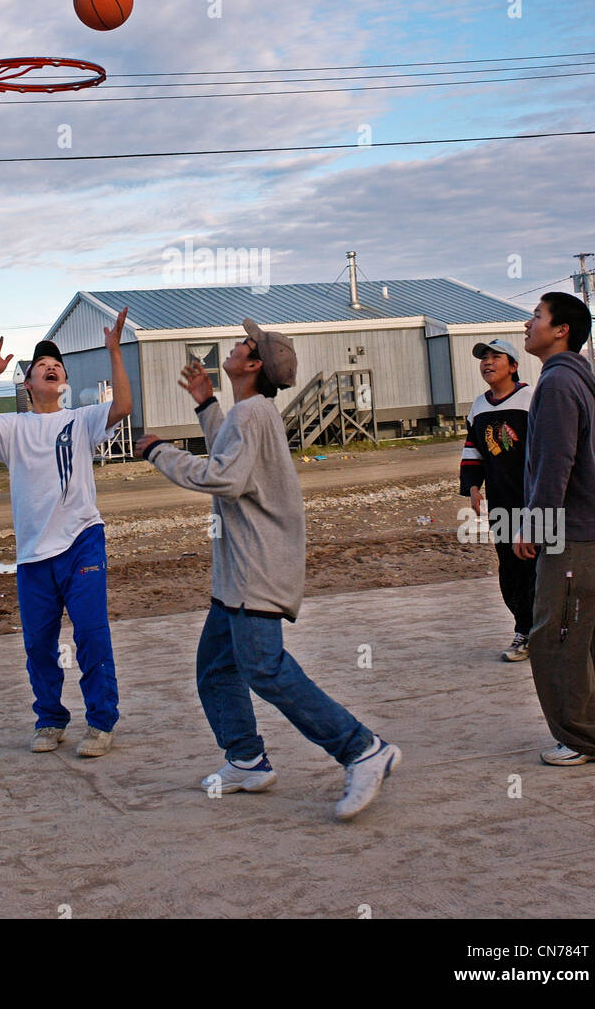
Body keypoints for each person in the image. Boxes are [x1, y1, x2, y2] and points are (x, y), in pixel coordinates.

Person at [134, 318, 401, 821]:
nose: (233, 347)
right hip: (239, 570)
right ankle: (246, 760)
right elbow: (232, 457)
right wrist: (206, 403)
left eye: (242, 344)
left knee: (264, 668)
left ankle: (362, 749)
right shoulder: (247, 412)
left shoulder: (253, 414)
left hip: (257, 567)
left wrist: (158, 452)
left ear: (254, 364)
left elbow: (223, 477)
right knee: (216, 669)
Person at [0, 312, 132, 756]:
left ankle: (101, 723)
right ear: (28, 383)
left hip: (82, 540)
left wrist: (115, 352)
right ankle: (50, 720)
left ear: (63, 381)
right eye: (42, 365)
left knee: (91, 634)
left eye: (57, 365)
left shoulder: (81, 420)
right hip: (34, 554)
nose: (51, 367)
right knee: (39, 644)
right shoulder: (13, 428)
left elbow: (122, 408)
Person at [514, 292, 595, 765]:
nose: (528, 324)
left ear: (561, 329)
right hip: (593, 526)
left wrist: (533, 525)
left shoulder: (559, 384)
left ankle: (586, 737)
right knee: (582, 626)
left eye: (537, 316)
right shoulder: (571, 379)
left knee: (556, 634)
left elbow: (554, 465)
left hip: (575, 532)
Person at [459, 338, 536, 661]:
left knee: (541, 566)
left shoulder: (532, 399)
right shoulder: (479, 406)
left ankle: (547, 632)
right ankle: (524, 630)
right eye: (484, 358)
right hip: (502, 503)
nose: (487, 363)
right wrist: (473, 486)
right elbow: (473, 449)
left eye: (495, 357)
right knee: (510, 569)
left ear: (514, 366)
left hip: (537, 500)